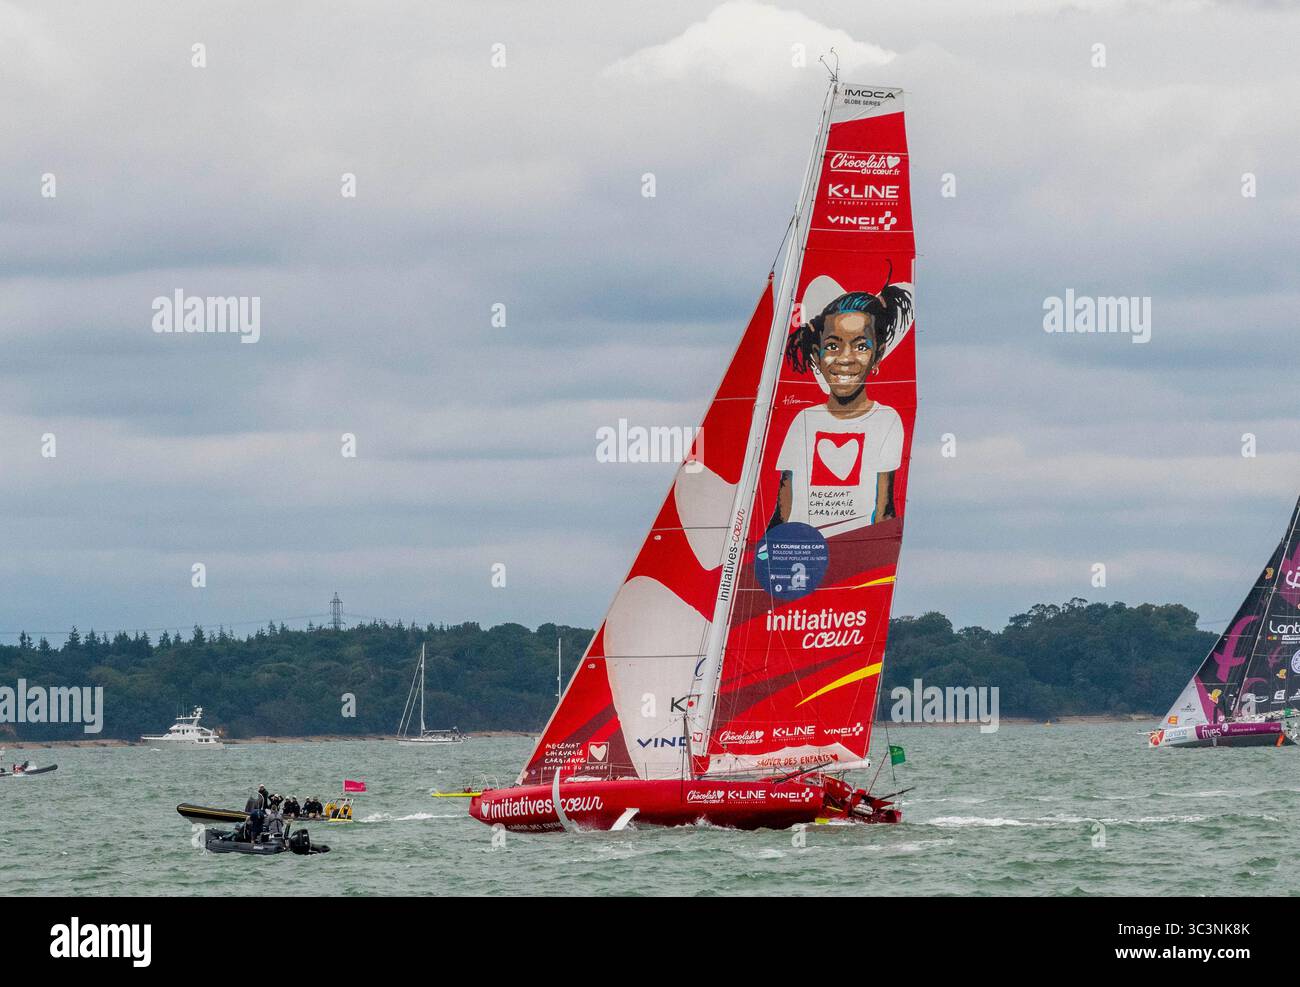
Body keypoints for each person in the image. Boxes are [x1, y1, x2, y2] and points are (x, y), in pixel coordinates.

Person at [770, 279, 913, 538]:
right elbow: (783, 511)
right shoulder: (804, 420)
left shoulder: (886, 420)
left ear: (877, 356)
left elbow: (885, 510)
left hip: (855, 559)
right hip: (801, 555)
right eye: (833, 346)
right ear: (817, 354)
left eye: (861, 346)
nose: (845, 358)